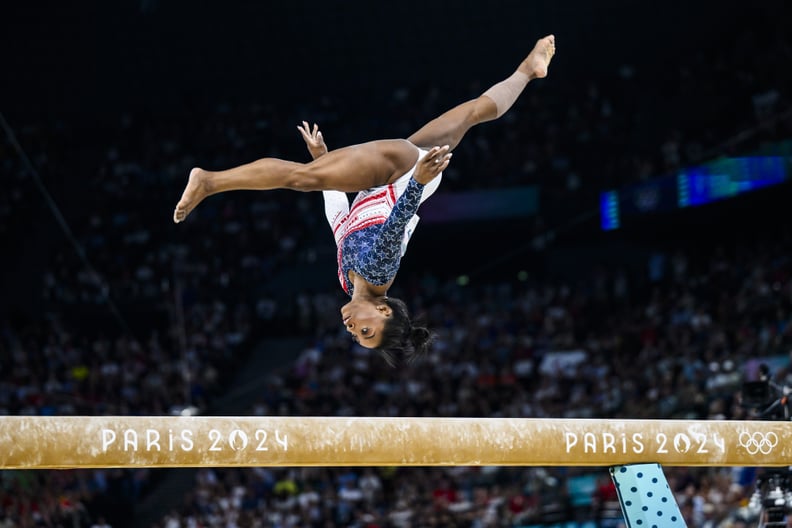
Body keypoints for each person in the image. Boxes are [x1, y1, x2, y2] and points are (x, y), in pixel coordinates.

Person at [173, 35, 556, 364]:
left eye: (358, 337)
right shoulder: (378, 274)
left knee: (473, 113)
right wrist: (418, 183)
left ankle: (527, 69)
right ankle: (209, 182)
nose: (354, 330)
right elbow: (395, 223)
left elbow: (340, 218)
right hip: (401, 176)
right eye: (367, 330)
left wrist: (325, 161)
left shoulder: (348, 278)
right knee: (299, 179)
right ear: (383, 309)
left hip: (399, 173)